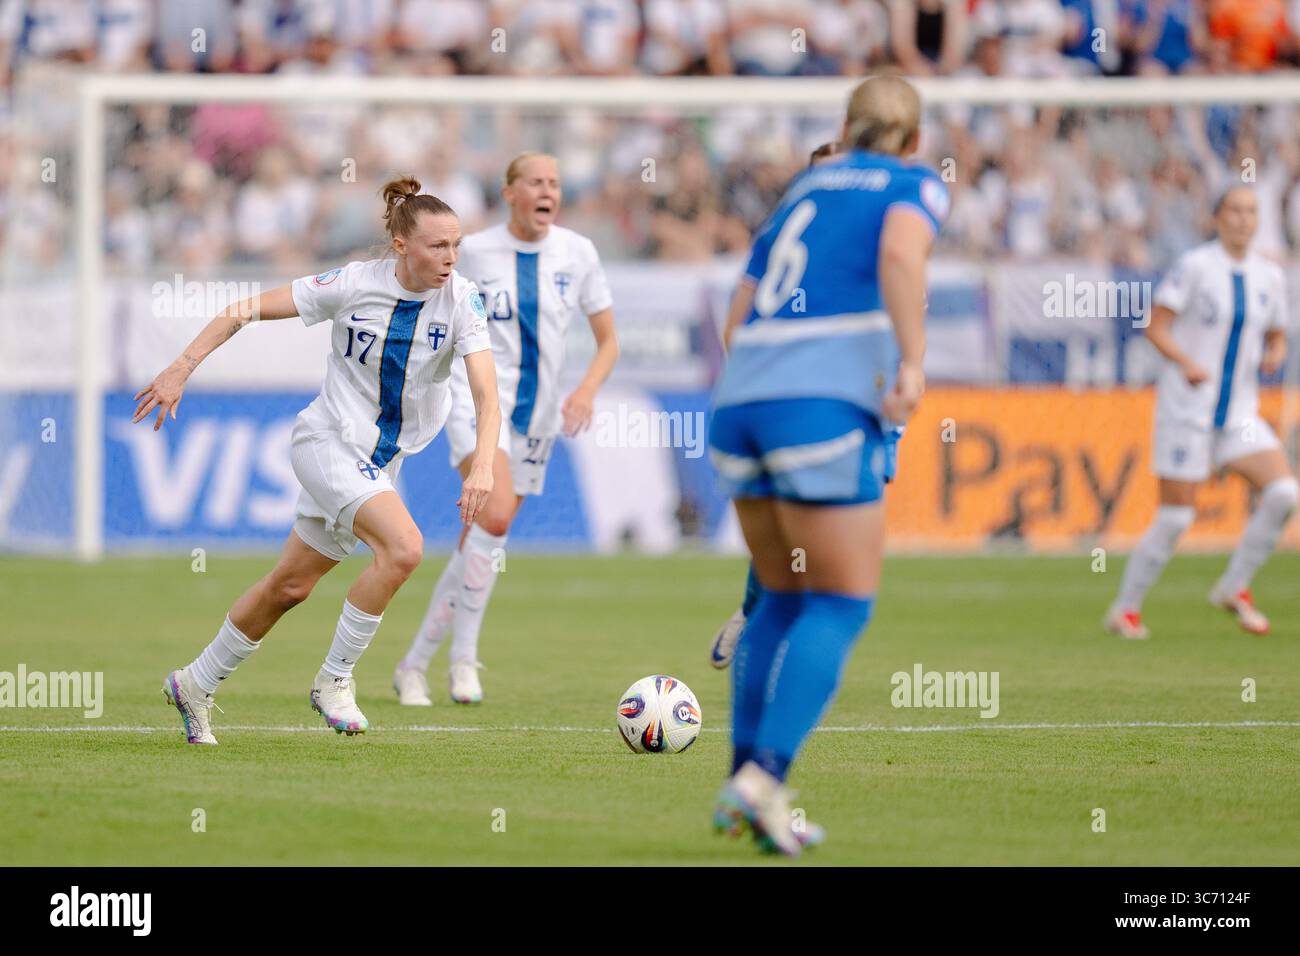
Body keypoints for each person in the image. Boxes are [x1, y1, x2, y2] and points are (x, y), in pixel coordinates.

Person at [137, 177, 500, 744]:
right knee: (403, 548)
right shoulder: (352, 284)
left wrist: (483, 463)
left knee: (289, 588)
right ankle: (334, 681)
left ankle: (194, 682)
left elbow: (486, 391)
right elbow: (242, 311)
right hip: (327, 441)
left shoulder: (463, 300)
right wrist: (182, 366)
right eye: (437, 246)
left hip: (380, 462)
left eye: (457, 245)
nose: (450, 258)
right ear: (402, 245)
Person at [707, 75, 947, 855]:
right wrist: (911, 362)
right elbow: (901, 257)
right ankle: (763, 775)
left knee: (778, 597)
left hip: (739, 401)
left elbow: (740, 312)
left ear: (845, 127)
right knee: (840, 604)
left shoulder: (805, 186)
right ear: (913, 138)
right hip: (819, 405)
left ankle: (751, 786)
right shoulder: (913, 182)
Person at [393, 153, 618, 705]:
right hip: (476, 403)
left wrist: (585, 389)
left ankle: (413, 663)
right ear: (510, 192)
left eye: (556, 183)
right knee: (492, 515)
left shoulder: (578, 252)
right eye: (536, 182)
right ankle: (464, 661)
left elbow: (609, 338)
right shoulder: (476, 252)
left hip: (538, 415)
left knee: (482, 541)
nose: (548, 191)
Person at [1106, 186, 1295, 640]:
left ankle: (1234, 586)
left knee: (1285, 493)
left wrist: (1275, 351)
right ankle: (1125, 609)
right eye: (1234, 210)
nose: (1243, 219)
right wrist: (1186, 362)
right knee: (1176, 518)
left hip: (1239, 416)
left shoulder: (1270, 275)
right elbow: (1154, 325)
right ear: (1216, 217)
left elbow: (1278, 333)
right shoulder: (1195, 266)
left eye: (1251, 211)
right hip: (1187, 412)